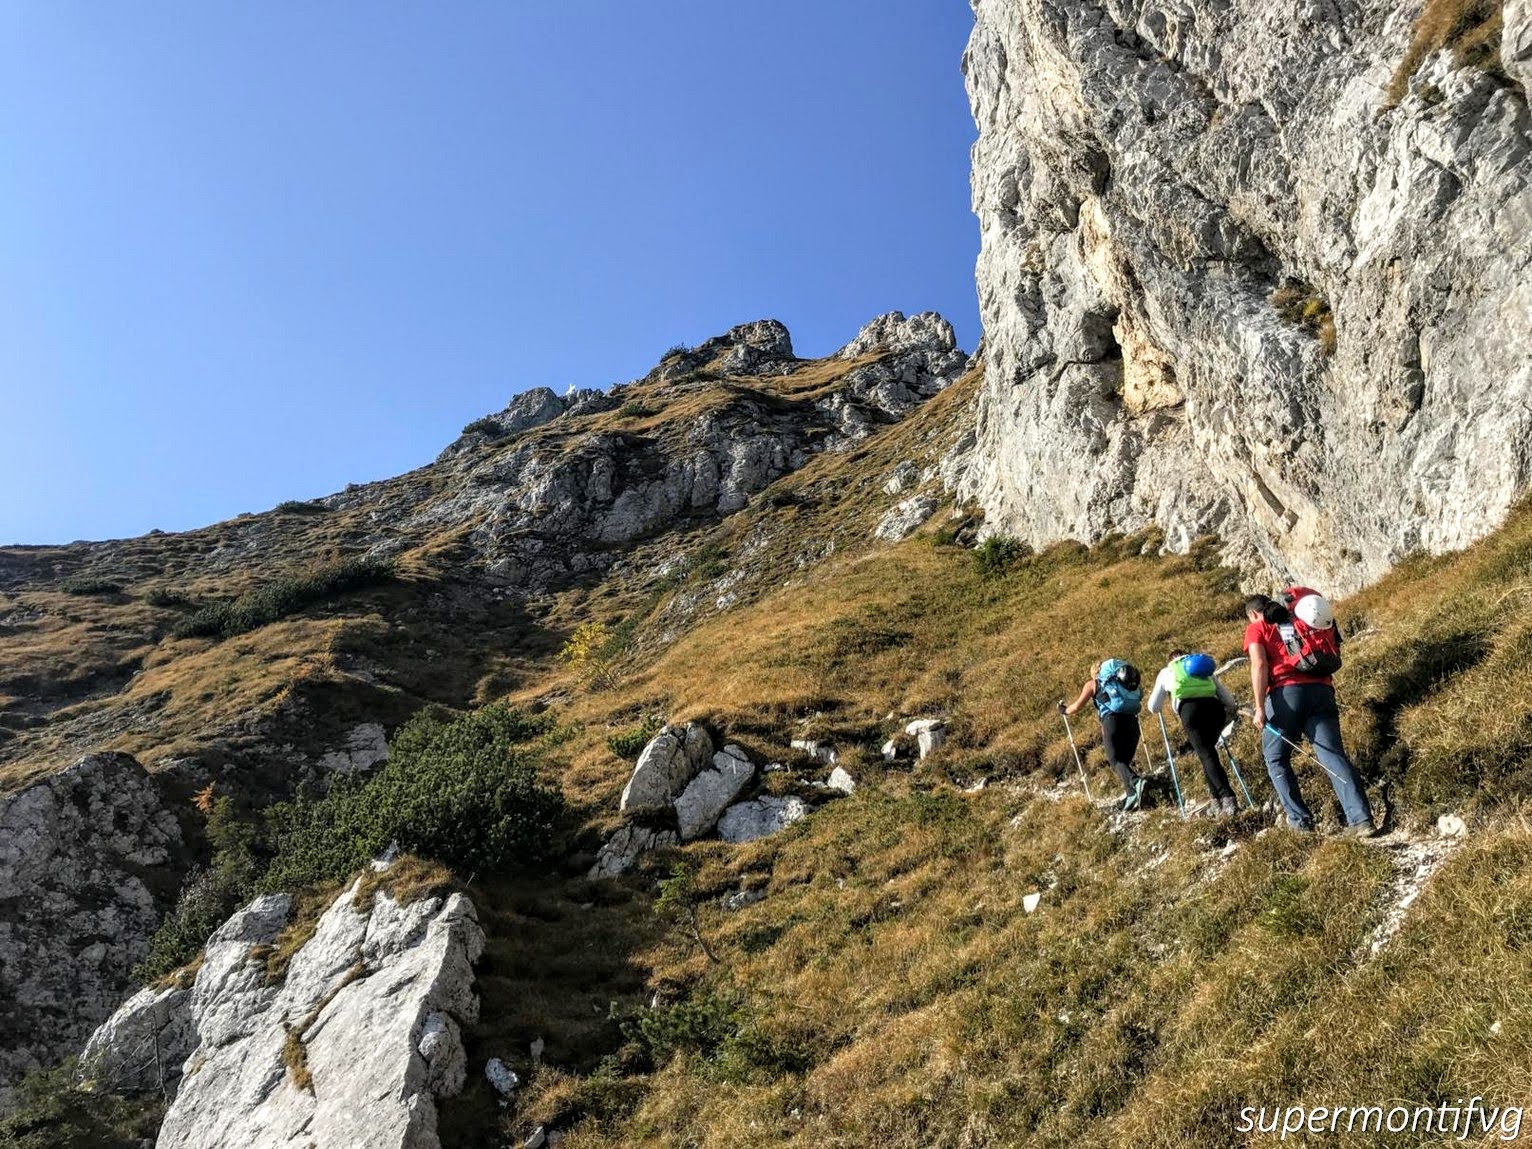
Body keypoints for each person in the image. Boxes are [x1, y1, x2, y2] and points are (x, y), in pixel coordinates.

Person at [1243, 593, 1376, 835]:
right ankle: (1361, 820)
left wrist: (1260, 707)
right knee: (1332, 755)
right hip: (1322, 689)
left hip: (1286, 695)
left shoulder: (1257, 627)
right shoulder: (1298, 618)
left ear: (1253, 614)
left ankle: (1300, 824)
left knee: (1276, 758)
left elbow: (1259, 665)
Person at [1146, 650, 1240, 817]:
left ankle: (1228, 798)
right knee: (1208, 753)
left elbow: (1153, 707)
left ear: (1171, 661)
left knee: (1206, 754)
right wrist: (1231, 708)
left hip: (1191, 711)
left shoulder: (1167, 671)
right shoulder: (1200, 668)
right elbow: (1229, 699)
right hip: (1215, 709)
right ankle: (1215, 801)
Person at [1060, 659, 1148, 811]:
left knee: (1115, 760)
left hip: (1112, 721)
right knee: (1123, 762)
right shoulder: (1122, 682)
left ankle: (1136, 782)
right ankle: (1132, 795)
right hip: (1132, 721)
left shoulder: (1093, 683)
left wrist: (1064, 710)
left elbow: (1076, 707)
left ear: (1095, 673)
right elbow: (1140, 694)